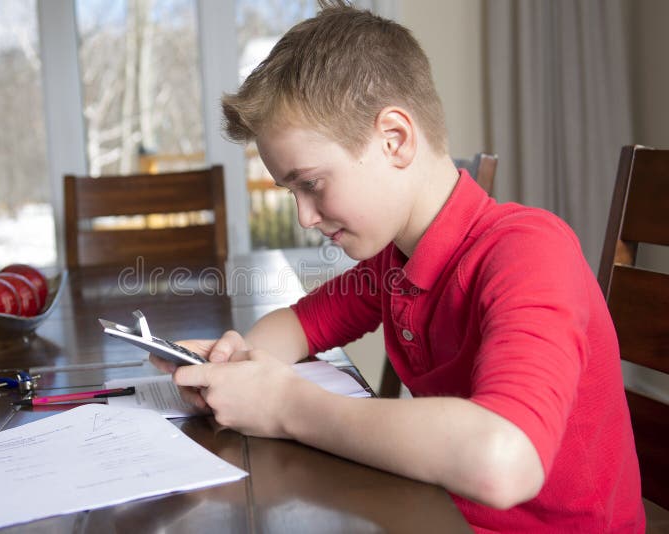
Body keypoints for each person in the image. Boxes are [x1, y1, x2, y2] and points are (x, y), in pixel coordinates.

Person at [151, 2, 645, 531]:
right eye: (292, 192)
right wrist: (237, 367)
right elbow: (299, 324)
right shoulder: (395, 261)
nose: (304, 216)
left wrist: (286, 406)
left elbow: (506, 460)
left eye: (311, 183)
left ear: (395, 139)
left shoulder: (530, 251)